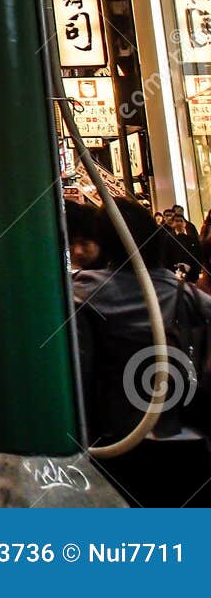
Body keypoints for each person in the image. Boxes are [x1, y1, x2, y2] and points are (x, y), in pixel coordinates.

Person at [75, 200, 211, 507]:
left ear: (103, 242)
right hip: (183, 439)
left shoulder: (84, 292)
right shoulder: (183, 293)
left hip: (116, 441)